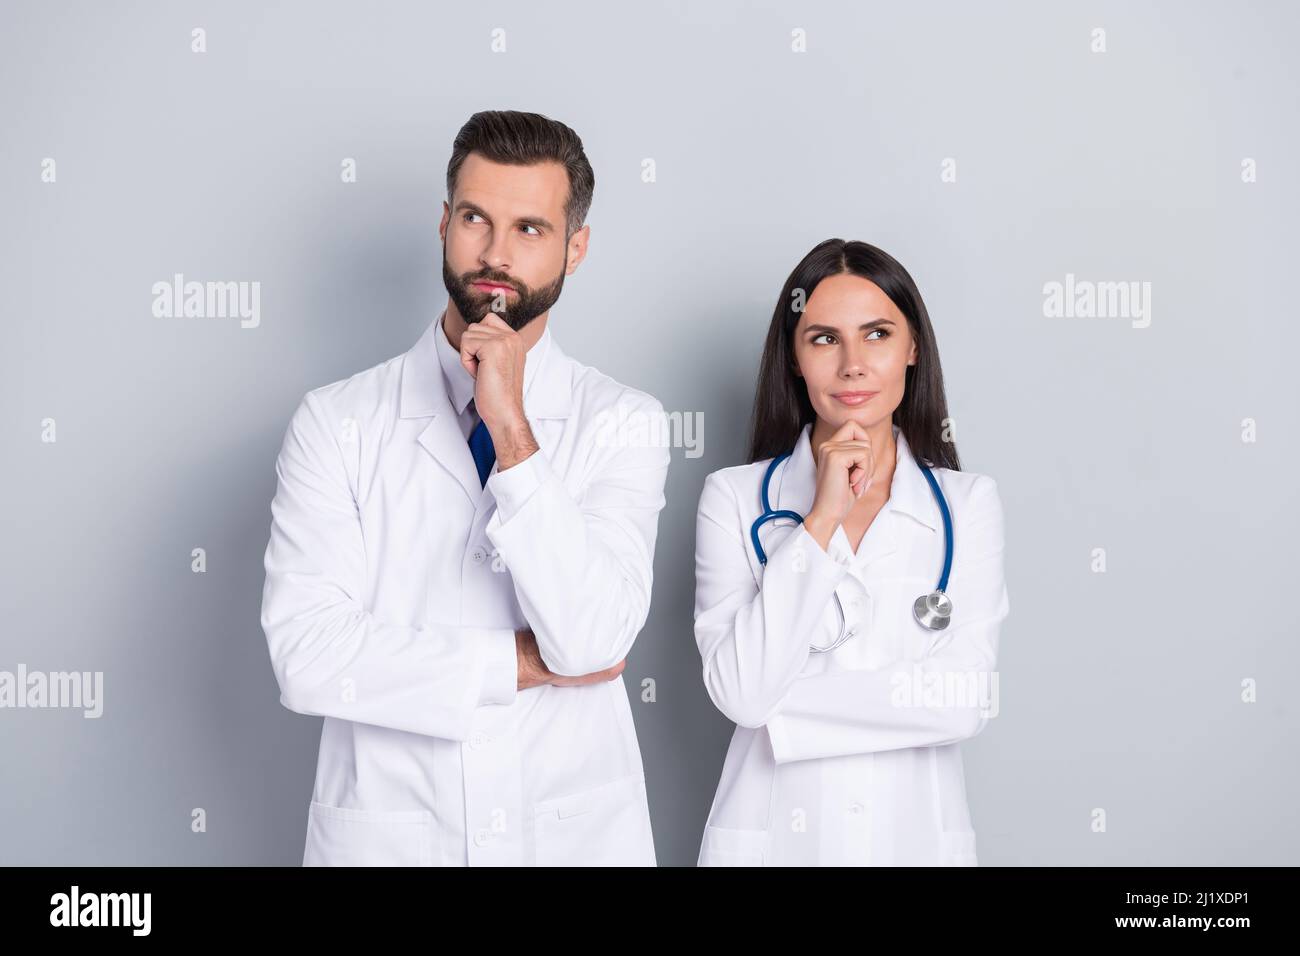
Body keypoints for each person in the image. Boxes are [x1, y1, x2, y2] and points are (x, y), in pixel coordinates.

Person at [260, 110, 670, 866]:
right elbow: (308, 656)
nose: (495, 254)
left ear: (575, 248)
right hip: (393, 835)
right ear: (445, 223)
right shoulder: (336, 421)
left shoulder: (624, 422)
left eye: (530, 230)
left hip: (572, 836)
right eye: (476, 219)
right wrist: (515, 664)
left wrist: (511, 431)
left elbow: (593, 638)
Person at [692, 238, 1009, 866]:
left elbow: (964, 700)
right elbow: (741, 694)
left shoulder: (968, 505)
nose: (853, 365)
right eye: (824, 339)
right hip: (772, 842)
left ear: (913, 348)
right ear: (795, 358)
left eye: (877, 334)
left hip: (914, 842)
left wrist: (785, 719)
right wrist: (821, 519)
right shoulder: (733, 498)